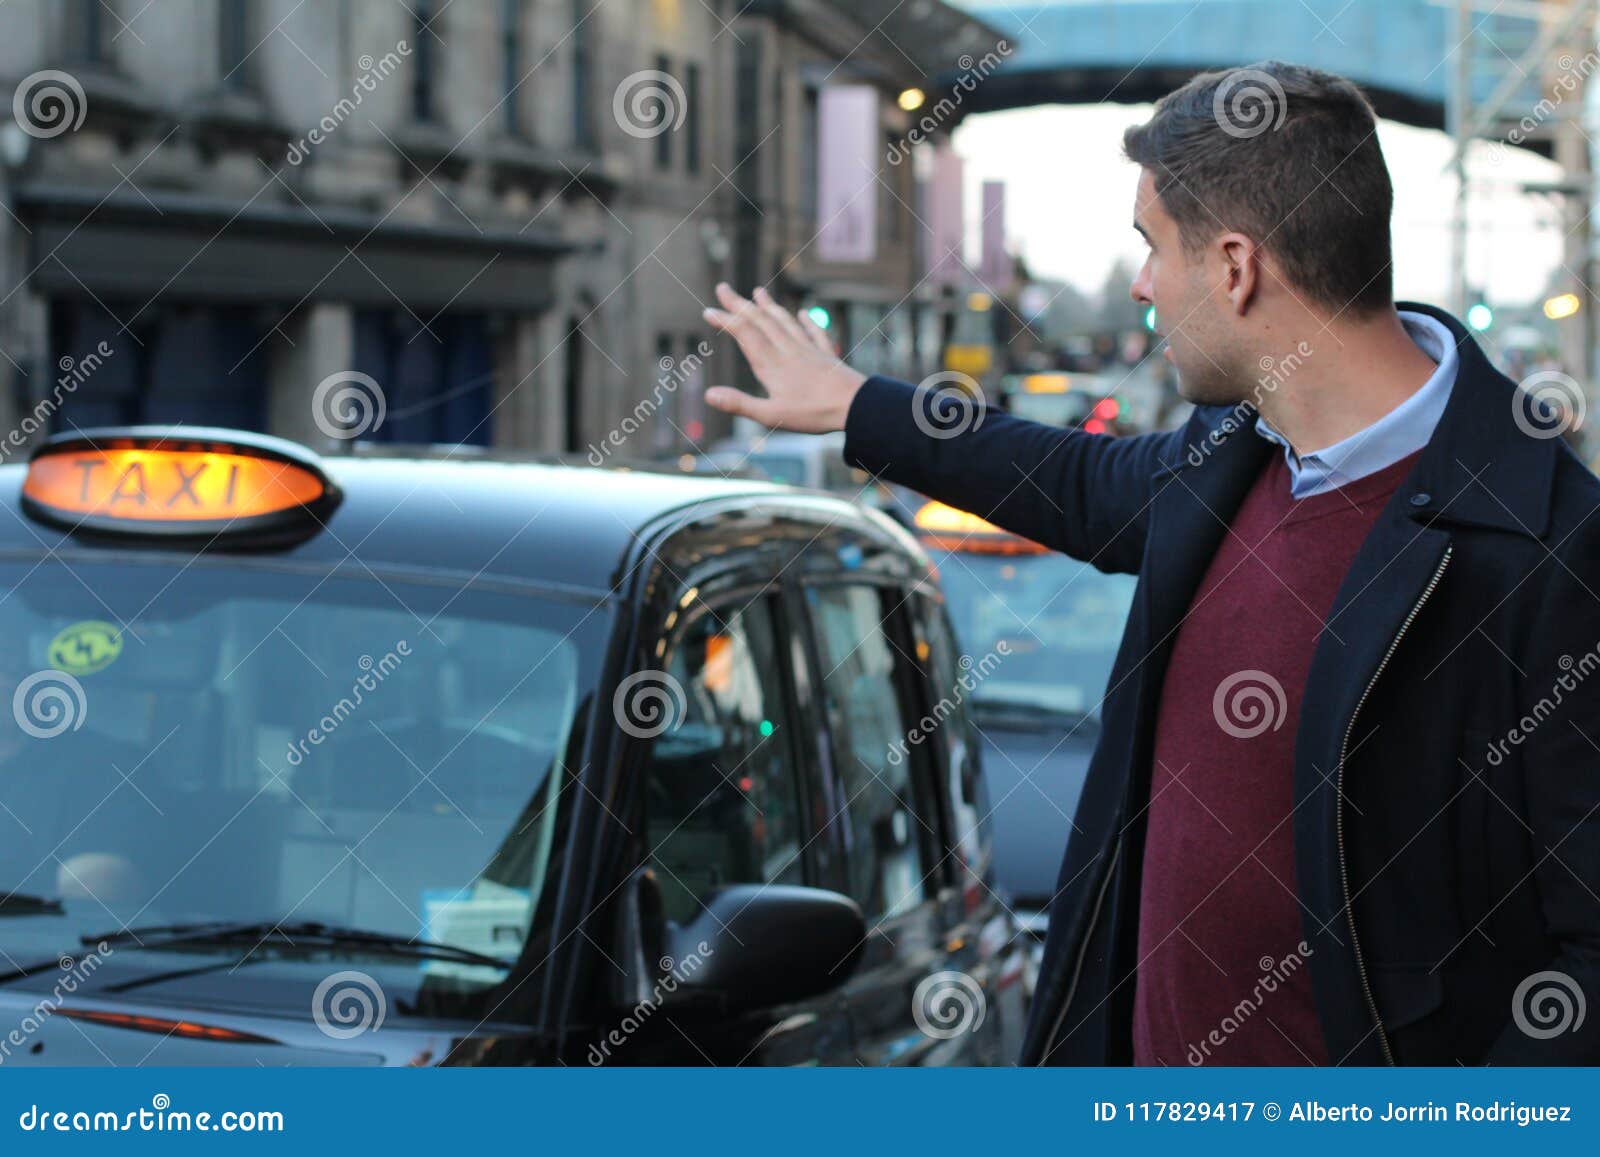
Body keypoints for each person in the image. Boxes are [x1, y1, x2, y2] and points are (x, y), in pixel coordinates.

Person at [700, 60, 1600, 1066]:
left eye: (1151, 245)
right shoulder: (1235, 452)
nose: (1141, 284)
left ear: (1234, 267)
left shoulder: (1549, 546)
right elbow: (1071, 479)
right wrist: (854, 403)